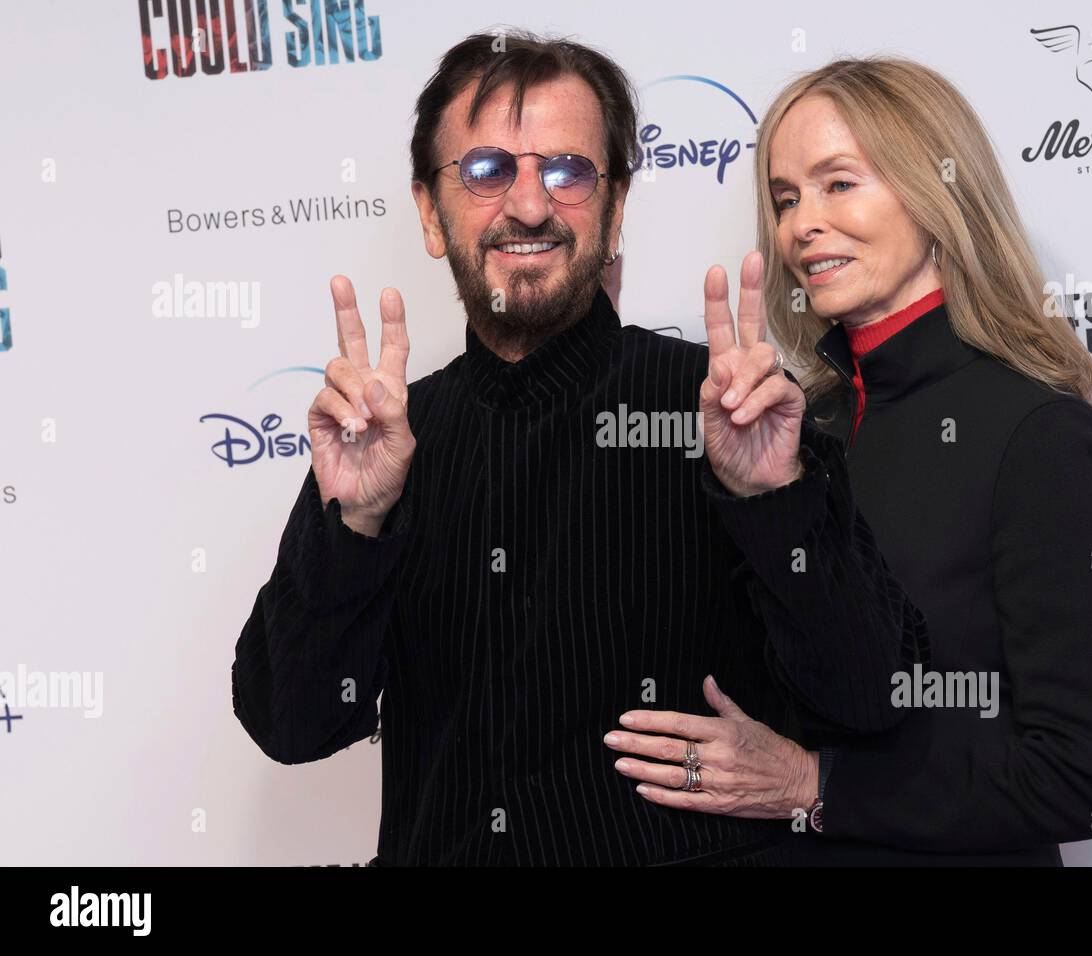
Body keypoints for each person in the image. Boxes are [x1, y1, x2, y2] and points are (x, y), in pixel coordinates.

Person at [230, 32, 927, 866]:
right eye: (488, 171)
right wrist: (355, 522)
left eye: (567, 172)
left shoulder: (729, 414)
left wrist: (774, 497)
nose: (529, 206)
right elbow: (292, 723)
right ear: (428, 211)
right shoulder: (388, 441)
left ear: (616, 206)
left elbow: (873, 697)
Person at [605, 56, 1092, 865]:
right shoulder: (797, 424)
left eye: (838, 184)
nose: (800, 225)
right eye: (785, 198)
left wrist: (815, 785)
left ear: (936, 194)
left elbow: (1085, 777)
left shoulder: (1035, 432)